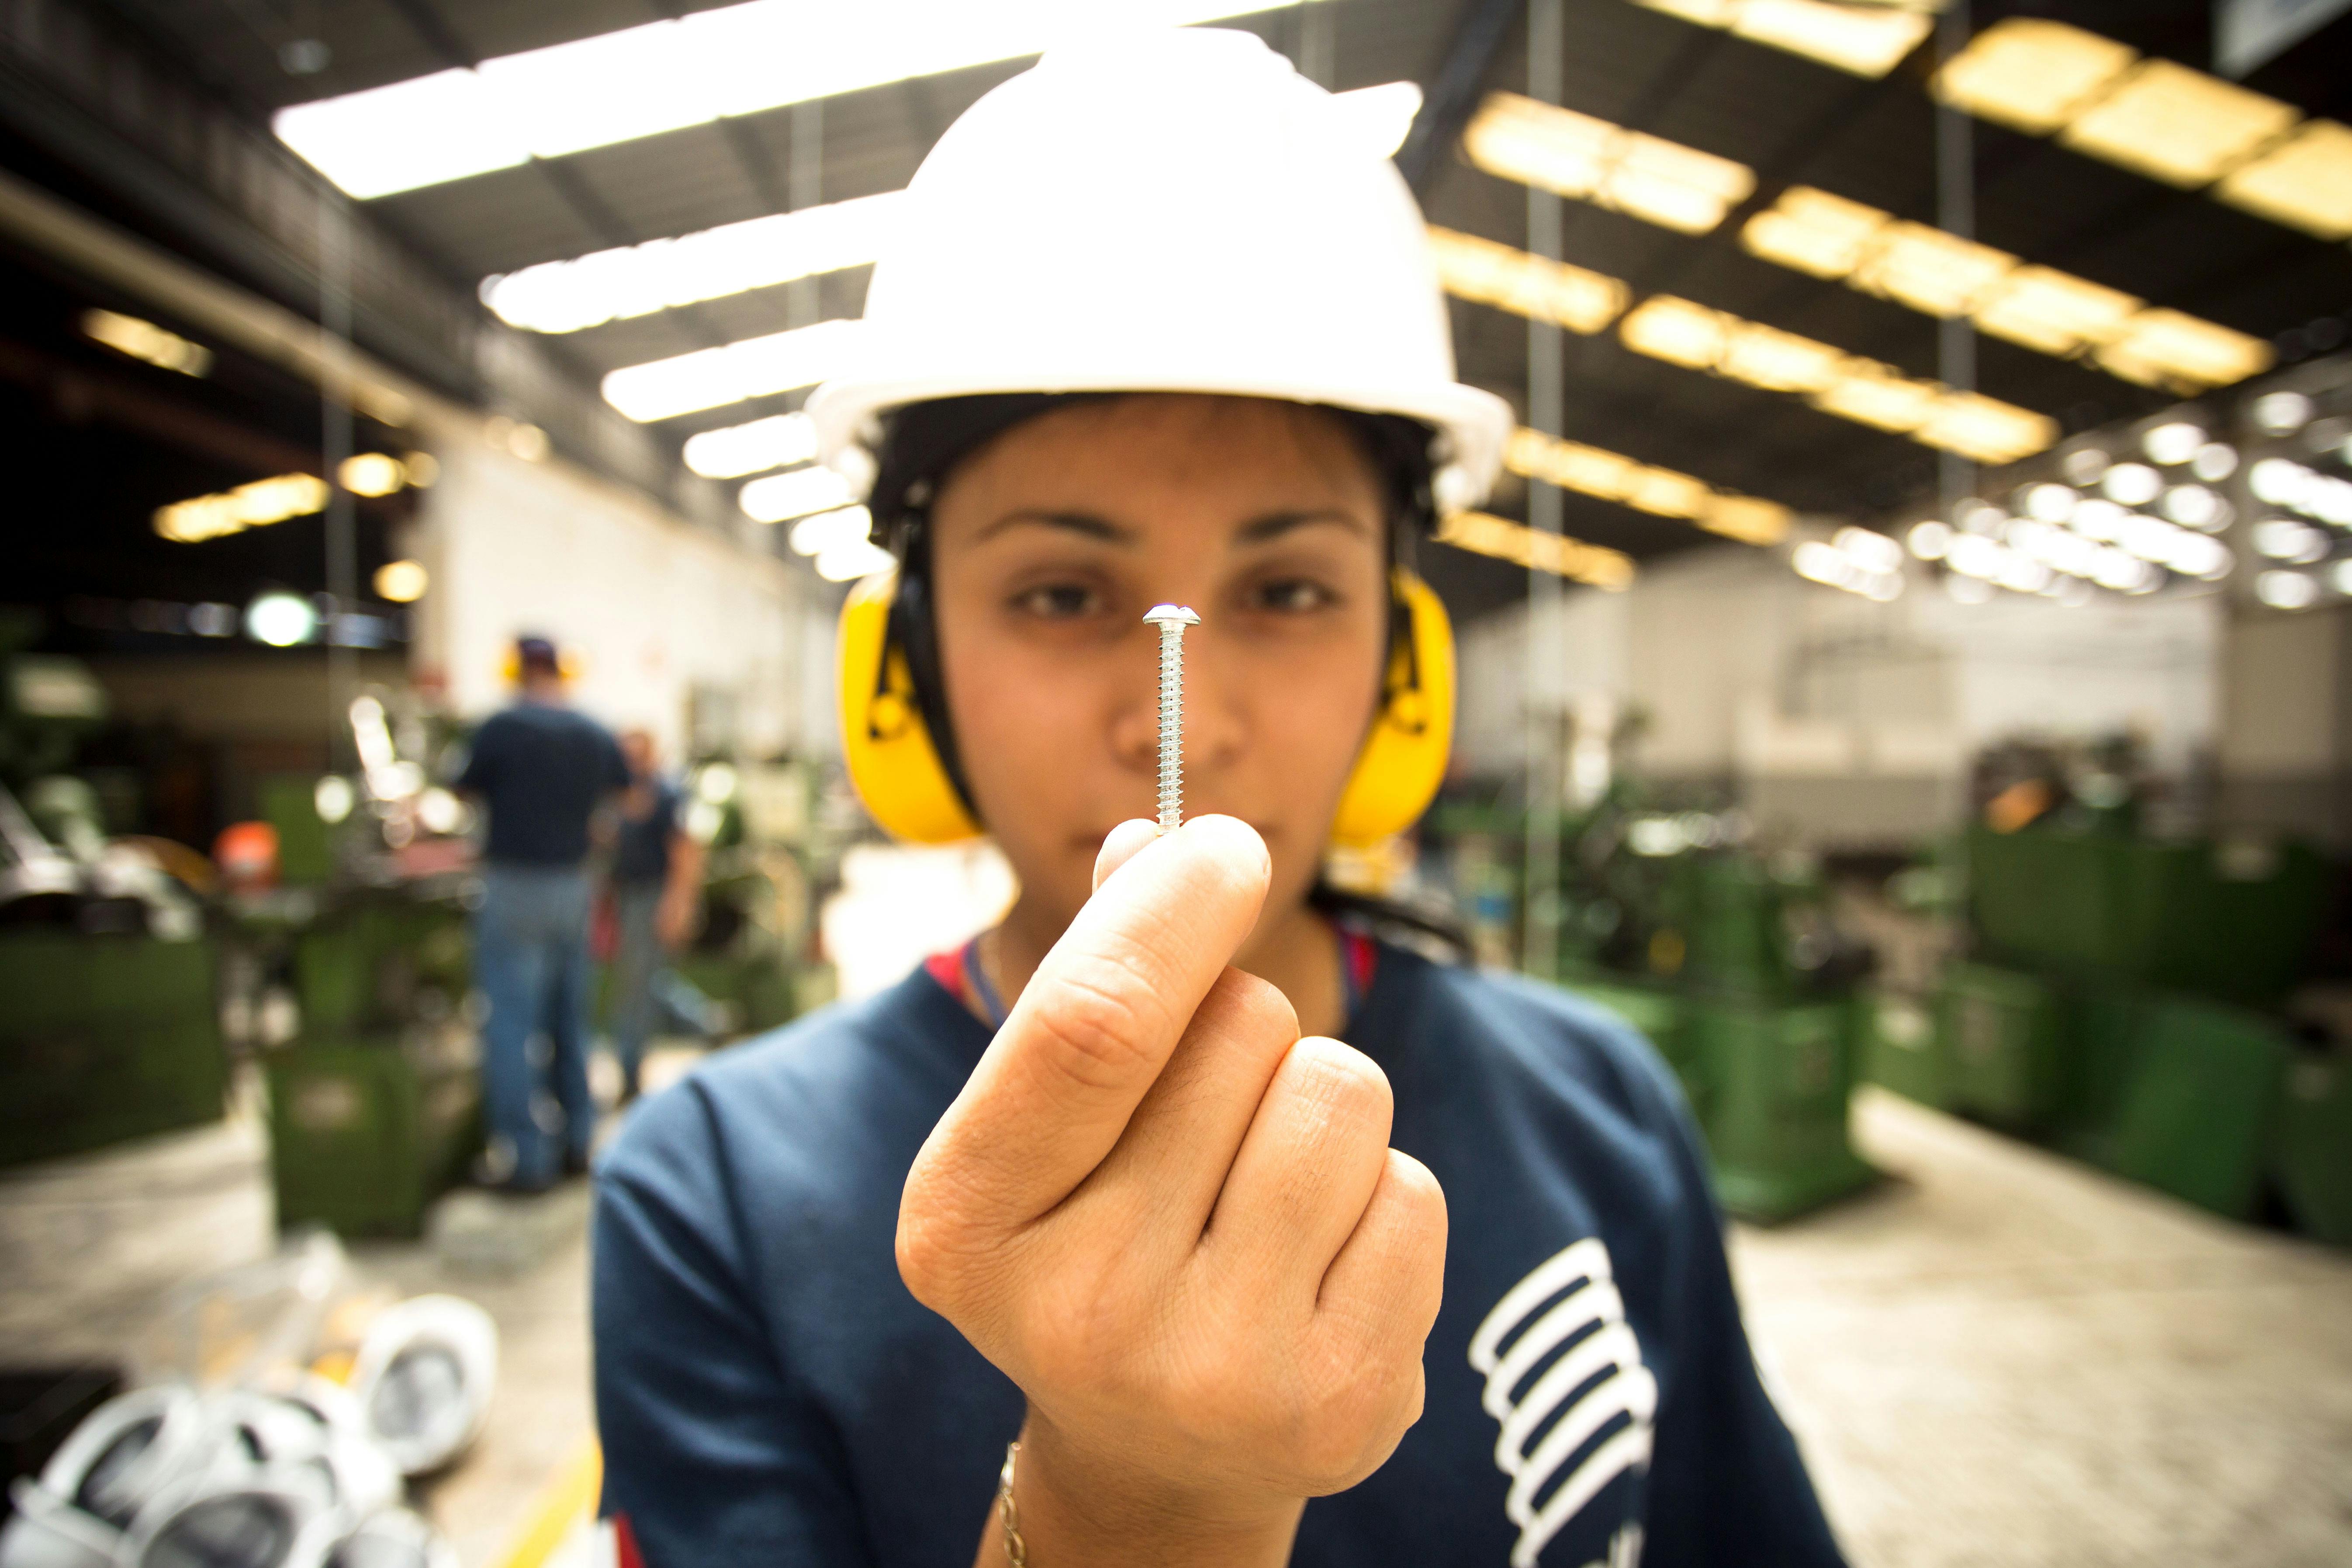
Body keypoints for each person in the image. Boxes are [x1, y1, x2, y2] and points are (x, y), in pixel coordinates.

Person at [594, 30, 1846, 1568]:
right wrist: (1123, 1509)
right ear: (899, 669)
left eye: (1290, 588)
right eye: (1059, 592)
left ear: (1406, 663)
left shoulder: (1603, 1114)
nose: (1170, 710)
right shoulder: (714, 1189)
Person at [457, 635, 628, 1193]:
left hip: (515, 885)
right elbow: (624, 795)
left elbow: (465, 790)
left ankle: (526, 1159)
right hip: (573, 886)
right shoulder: (592, 731)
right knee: (568, 1019)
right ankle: (578, 1142)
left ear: (517, 672)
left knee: (510, 1022)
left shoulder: (502, 729)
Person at [606, 729, 706, 1102]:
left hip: (654, 897)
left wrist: (678, 904)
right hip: (627, 898)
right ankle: (706, 1022)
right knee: (646, 981)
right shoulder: (620, 799)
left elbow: (686, 852)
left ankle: (630, 1070)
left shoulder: (667, 796)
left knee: (638, 987)